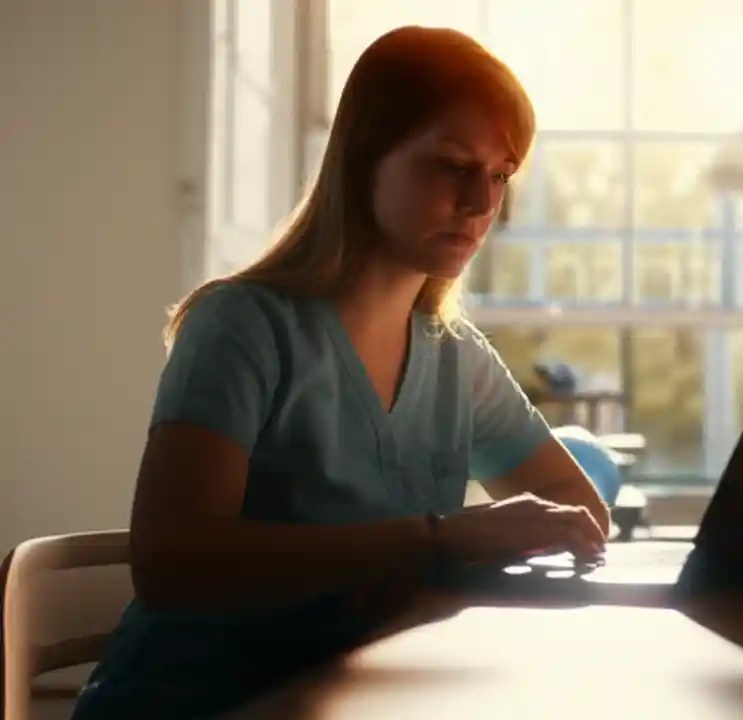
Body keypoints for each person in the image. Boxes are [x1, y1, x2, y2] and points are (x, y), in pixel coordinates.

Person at [71, 26, 609, 719]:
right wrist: (439, 537)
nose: (481, 203)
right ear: (363, 163)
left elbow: (577, 509)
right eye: (451, 165)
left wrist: (468, 545)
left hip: (358, 702)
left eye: (500, 175)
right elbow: (171, 565)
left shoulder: (456, 356)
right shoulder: (242, 326)